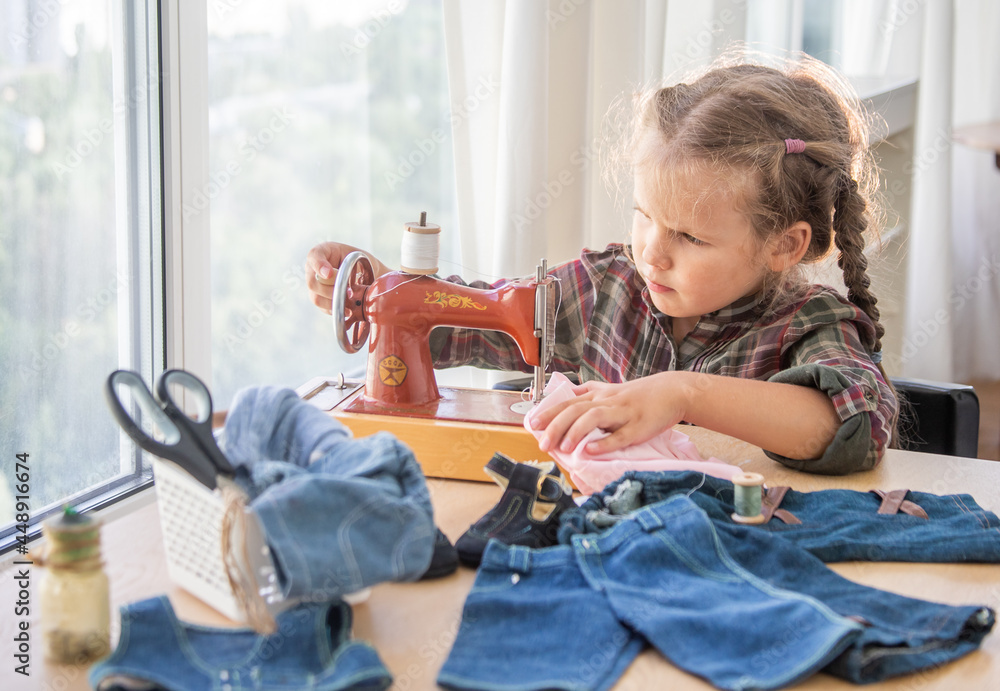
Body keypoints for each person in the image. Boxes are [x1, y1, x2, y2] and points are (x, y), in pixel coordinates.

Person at [306, 54, 898, 475]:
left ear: (784, 246)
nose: (652, 252)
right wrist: (385, 293)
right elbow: (458, 322)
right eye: (644, 216)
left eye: (689, 236)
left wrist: (682, 393)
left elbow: (854, 425)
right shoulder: (606, 288)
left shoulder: (810, 321)